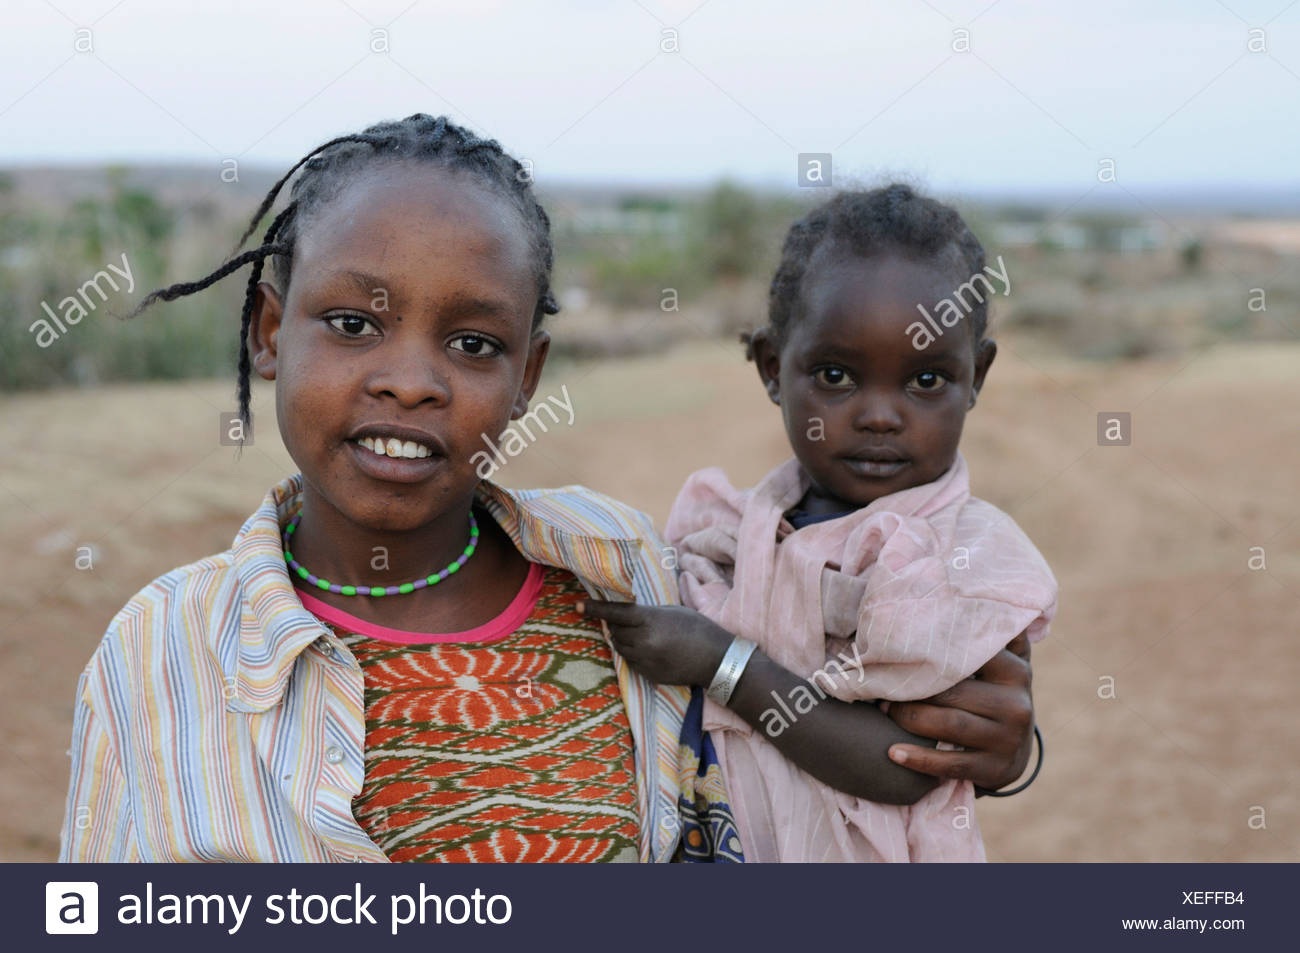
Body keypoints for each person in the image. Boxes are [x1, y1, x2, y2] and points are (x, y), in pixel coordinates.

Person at [59, 116, 1038, 862]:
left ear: (527, 375)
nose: (411, 379)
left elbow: (826, 704)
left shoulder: (623, 572)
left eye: (473, 342)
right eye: (354, 322)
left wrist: (992, 746)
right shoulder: (160, 655)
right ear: (270, 331)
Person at [582, 184, 1057, 861]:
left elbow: (905, 763)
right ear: (774, 367)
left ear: (976, 376)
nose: (880, 415)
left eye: (926, 381)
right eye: (837, 375)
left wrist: (724, 665)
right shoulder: (732, 527)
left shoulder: (954, 557)